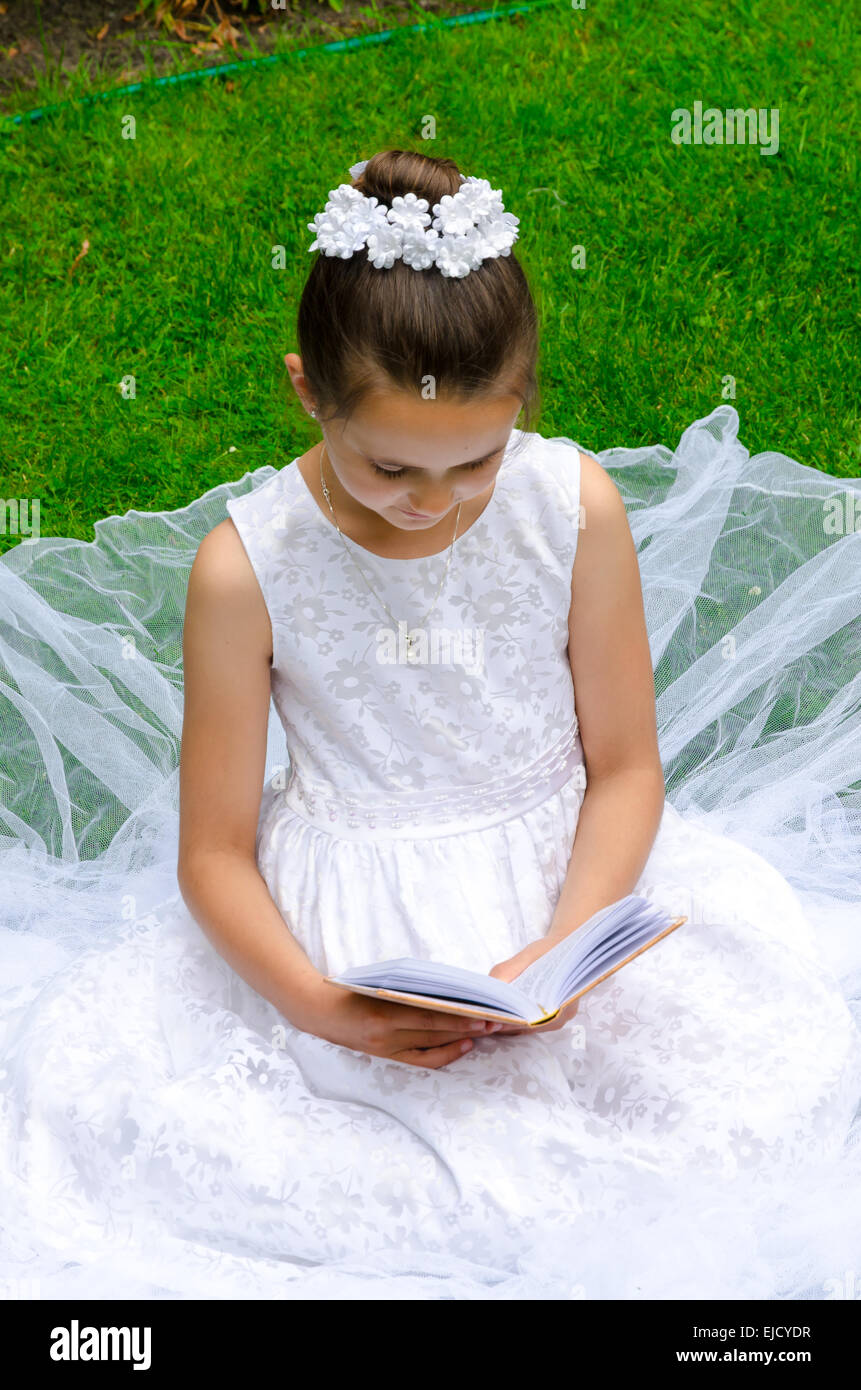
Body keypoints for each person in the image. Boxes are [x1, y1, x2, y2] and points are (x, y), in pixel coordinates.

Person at [0, 149, 859, 1301]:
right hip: (347, 925)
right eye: (393, 465)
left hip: (567, 878)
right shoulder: (247, 568)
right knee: (306, 1180)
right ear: (308, 391)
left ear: (524, 400)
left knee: (732, 1106)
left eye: (477, 461)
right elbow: (211, 853)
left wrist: (565, 952)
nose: (435, 502)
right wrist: (322, 1007)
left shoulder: (572, 510)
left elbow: (624, 768)